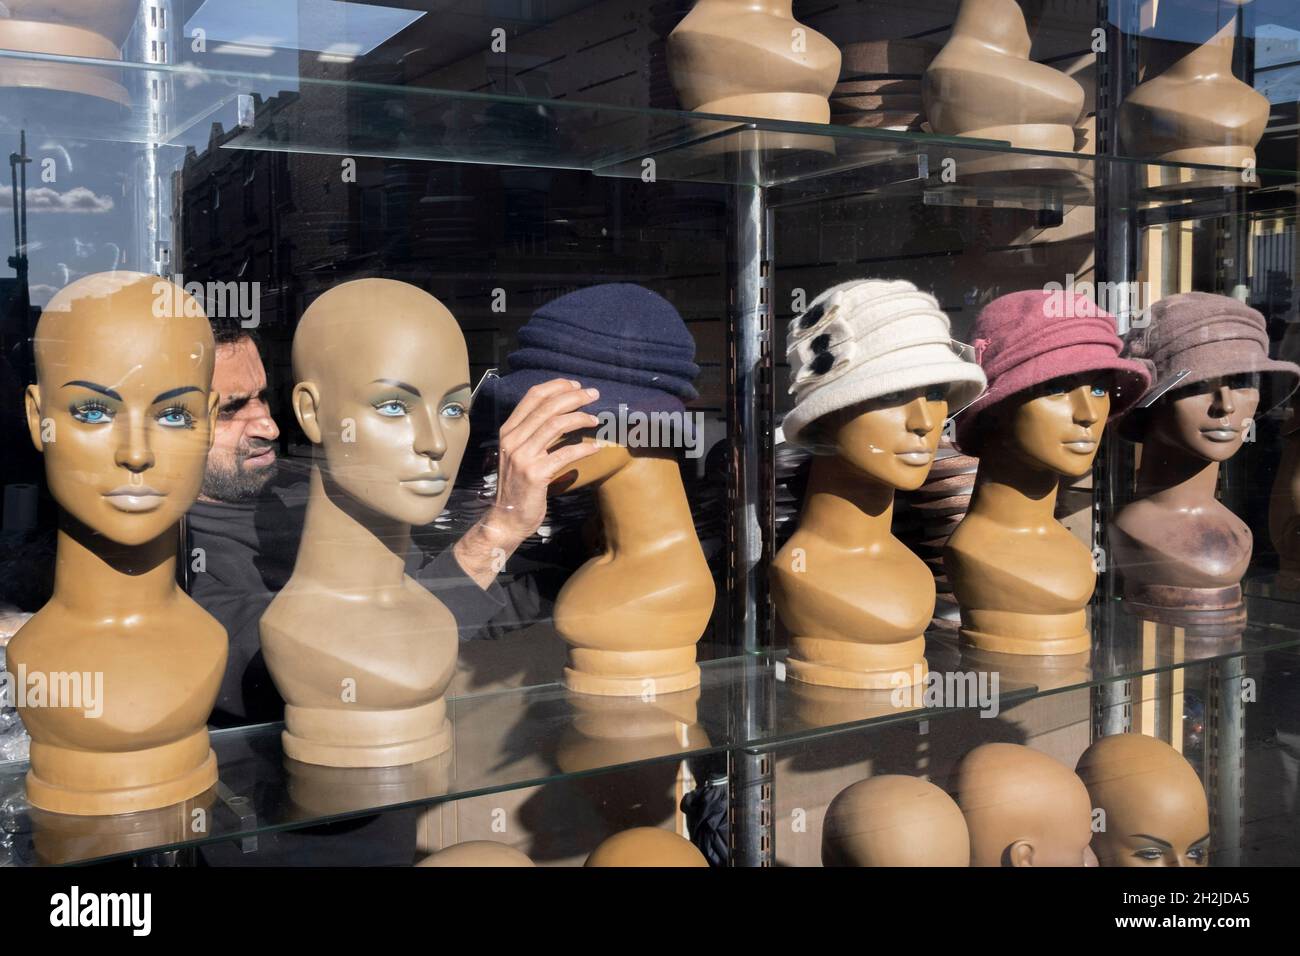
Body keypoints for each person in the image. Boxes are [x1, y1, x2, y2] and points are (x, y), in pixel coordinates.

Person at [186, 326, 602, 726]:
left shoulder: (304, 489)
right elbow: (342, 670)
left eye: (262, 397)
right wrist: (499, 528)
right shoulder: (178, 559)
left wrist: (592, 553)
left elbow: (460, 603)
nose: (268, 426)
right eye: (230, 410)